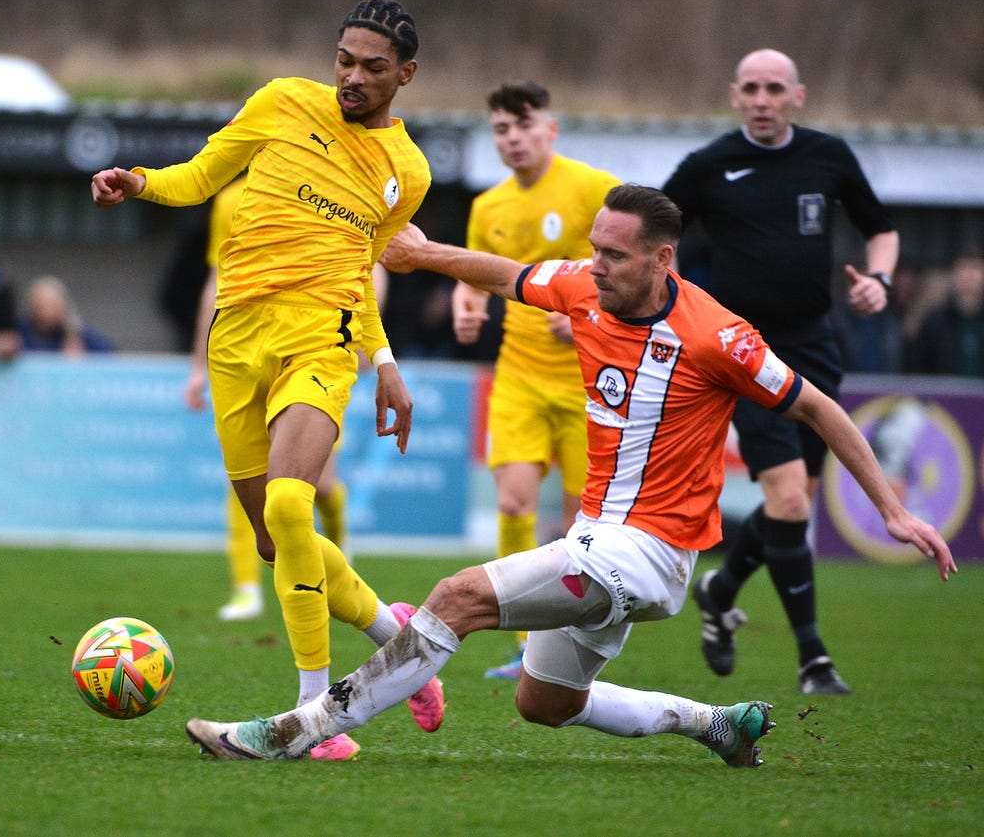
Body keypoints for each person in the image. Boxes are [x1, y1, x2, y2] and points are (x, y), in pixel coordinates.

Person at [183, 184, 955, 766]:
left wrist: (891, 509)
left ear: (662, 259)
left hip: (651, 552)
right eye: (594, 249)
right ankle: (716, 724)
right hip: (596, 537)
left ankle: (296, 729)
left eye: (614, 254)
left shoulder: (718, 337)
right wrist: (423, 255)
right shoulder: (586, 288)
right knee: (544, 700)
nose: (597, 265)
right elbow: (510, 274)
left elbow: (819, 407)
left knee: (455, 596)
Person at [91, 0, 444, 761]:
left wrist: (384, 363)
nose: (352, 77)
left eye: (373, 67)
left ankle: (313, 717)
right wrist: (139, 182)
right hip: (235, 339)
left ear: (405, 75)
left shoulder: (408, 171)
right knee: (275, 542)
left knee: (290, 505)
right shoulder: (282, 101)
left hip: (321, 338)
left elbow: (361, 272)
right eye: (344, 60)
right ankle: (402, 641)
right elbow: (200, 176)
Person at [661, 49, 900, 695]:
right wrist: (667, 299)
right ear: (734, 95)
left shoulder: (829, 156)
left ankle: (720, 590)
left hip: (815, 343)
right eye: (752, 88)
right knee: (790, 498)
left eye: (775, 88)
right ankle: (813, 658)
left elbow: (881, 229)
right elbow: (652, 230)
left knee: (794, 504)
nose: (763, 99)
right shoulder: (709, 164)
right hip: (741, 349)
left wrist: (879, 280)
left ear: (798, 95)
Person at [455, 81, 620, 679]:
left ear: (551, 129)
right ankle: (523, 641)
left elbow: (642, 270)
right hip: (519, 375)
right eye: (502, 129)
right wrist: (467, 303)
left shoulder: (594, 190)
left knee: (581, 523)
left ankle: (567, 644)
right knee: (513, 501)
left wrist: (590, 318)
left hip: (591, 384)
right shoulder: (487, 207)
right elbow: (475, 273)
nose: (514, 139)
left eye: (524, 126)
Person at [184, 176, 366, 622]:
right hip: (243, 352)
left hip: (309, 351)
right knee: (248, 481)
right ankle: (246, 588)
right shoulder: (229, 200)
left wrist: (367, 341)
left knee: (319, 488)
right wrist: (197, 365)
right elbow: (216, 281)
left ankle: (340, 550)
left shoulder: (324, 185)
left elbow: (365, 265)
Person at [905, 252, 984, 376]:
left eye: (975, 269)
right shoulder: (934, 322)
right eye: (963, 269)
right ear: (953, 275)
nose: (969, 277)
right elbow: (918, 369)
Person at [18, 275, 115, 355]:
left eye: (51, 306)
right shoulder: (20, 332)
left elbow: (110, 355)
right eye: (40, 306)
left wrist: (83, 357)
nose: (45, 313)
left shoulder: (76, 333)